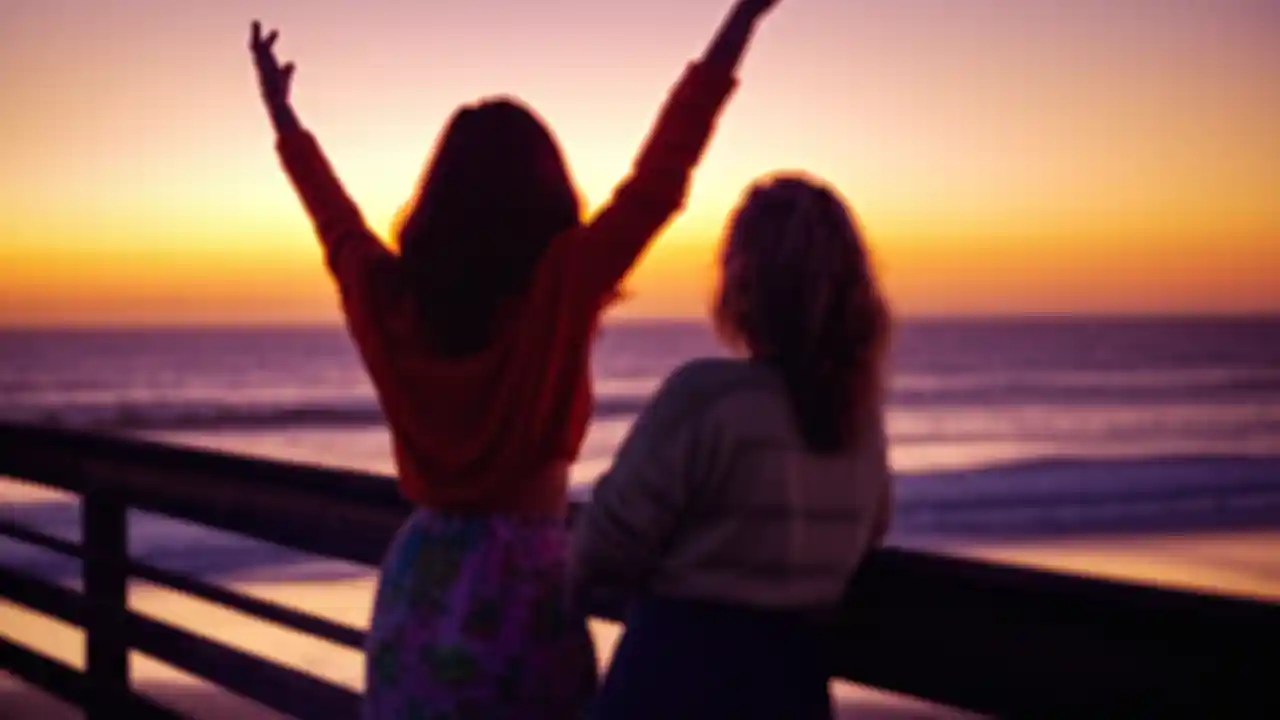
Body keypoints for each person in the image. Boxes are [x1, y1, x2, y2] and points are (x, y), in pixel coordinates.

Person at [248, 1, 782, 717]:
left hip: (418, 582)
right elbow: (660, 179)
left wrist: (285, 123)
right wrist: (741, 23)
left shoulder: (389, 297)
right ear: (546, 191)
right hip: (527, 588)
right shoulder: (561, 285)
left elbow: (334, 219)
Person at [572, 176, 894, 719]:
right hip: (791, 689)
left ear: (742, 285)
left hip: (671, 684)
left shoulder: (706, 398)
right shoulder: (861, 424)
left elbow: (602, 549)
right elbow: (870, 537)